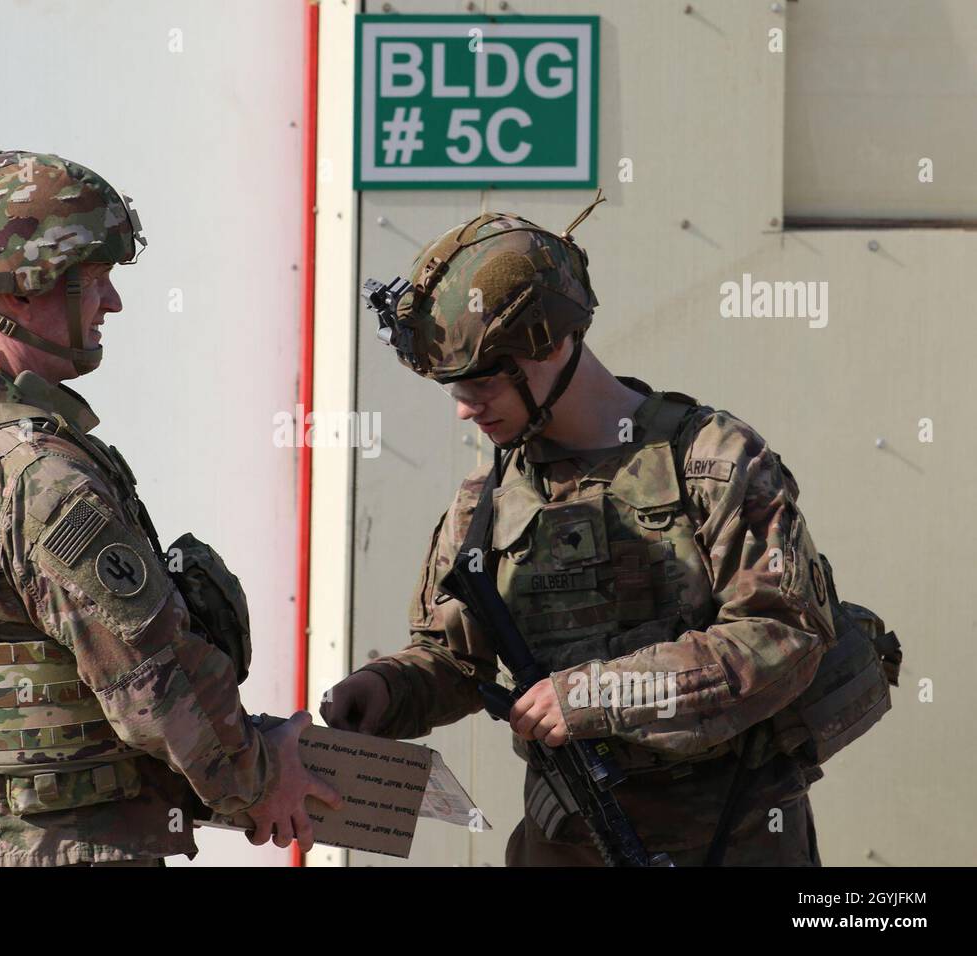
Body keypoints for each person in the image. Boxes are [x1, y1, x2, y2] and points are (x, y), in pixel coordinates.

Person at [321, 199, 839, 866]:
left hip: (732, 839)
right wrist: (387, 689)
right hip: (565, 845)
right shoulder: (488, 500)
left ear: (550, 343)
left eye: (480, 384)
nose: (462, 410)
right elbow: (454, 659)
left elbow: (785, 636)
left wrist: (596, 696)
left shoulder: (709, 460)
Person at [0, 149, 339, 866]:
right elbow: (153, 684)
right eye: (92, 281)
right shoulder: (41, 480)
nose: (111, 303)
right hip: (74, 843)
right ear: (24, 290)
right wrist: (262, 777)